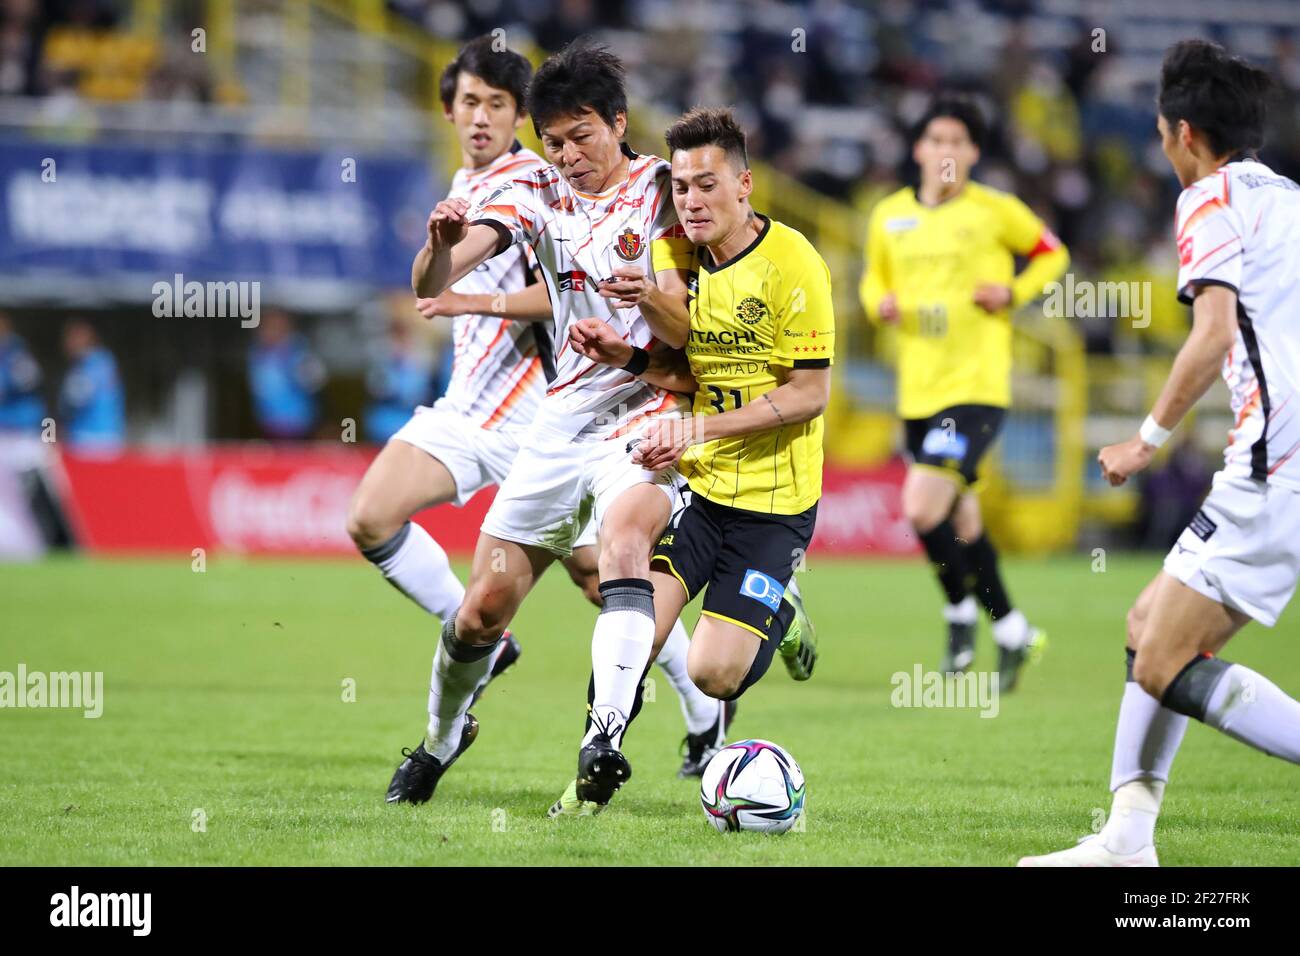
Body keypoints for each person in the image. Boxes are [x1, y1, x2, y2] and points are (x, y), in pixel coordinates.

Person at [362, 38, 728, 806]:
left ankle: (604, 736)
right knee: (480, 610)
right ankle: (437, 740)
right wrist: (437, 252)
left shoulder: (664, 192)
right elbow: (433, 279)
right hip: (560, 422)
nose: (568, 154)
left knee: (624, 548)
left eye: (582, 135)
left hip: (651, 406)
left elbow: (691, 324)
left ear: (619, 123)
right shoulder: (532, 187)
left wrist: (646, 306)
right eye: (555, 140)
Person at [1020, 40, 1300, 867]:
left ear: (1182, 133)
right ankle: (1127, 841)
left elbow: (1211, 335)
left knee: (1161, 660)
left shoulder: (1207, 200)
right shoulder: (1287, 199)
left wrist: (1144, 442)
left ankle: (1125, 843)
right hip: (1283, 461)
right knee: (1148, 631)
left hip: (1273, 465)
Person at [561, 106, 826, 813]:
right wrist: (631, 356)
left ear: (745, 184)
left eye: (707, 185)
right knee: (633, 633)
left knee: (712, 673)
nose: (693, 201)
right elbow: (690, 372)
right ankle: (590, 769)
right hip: (704, 496)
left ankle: (784, 612)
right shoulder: (673, 258)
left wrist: (697, 432)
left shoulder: (793, 262)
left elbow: (809, 395)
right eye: (680, 187)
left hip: (774, 506)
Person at [859, 93, 1068, 689]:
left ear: (972, 152)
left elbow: (1053, 254)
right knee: (964, 520)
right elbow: (874, 279)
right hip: (916, 391)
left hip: (976, 387)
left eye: (958, 141)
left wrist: (1015, 293)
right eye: (937, 140)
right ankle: (1013, 631)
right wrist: (881, 305)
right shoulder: (889, 216)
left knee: (921, 507)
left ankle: (957, 619)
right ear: (920, 148)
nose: (946, 151)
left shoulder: (995, 210)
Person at [246, 310, 324, 440]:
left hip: (297, 423)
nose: (268, 332)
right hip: (269, 422)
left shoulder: (297, 351)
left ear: (286, 328)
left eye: (275, 327)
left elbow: (315, 381)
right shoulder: (258, 353)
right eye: (266, 327)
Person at [59, 319, 124, 451]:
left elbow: (75, 398)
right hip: (103, 437)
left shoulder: (95, 364)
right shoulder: (104, 361)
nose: (66, 344)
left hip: (91, 440)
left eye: (71, 338)